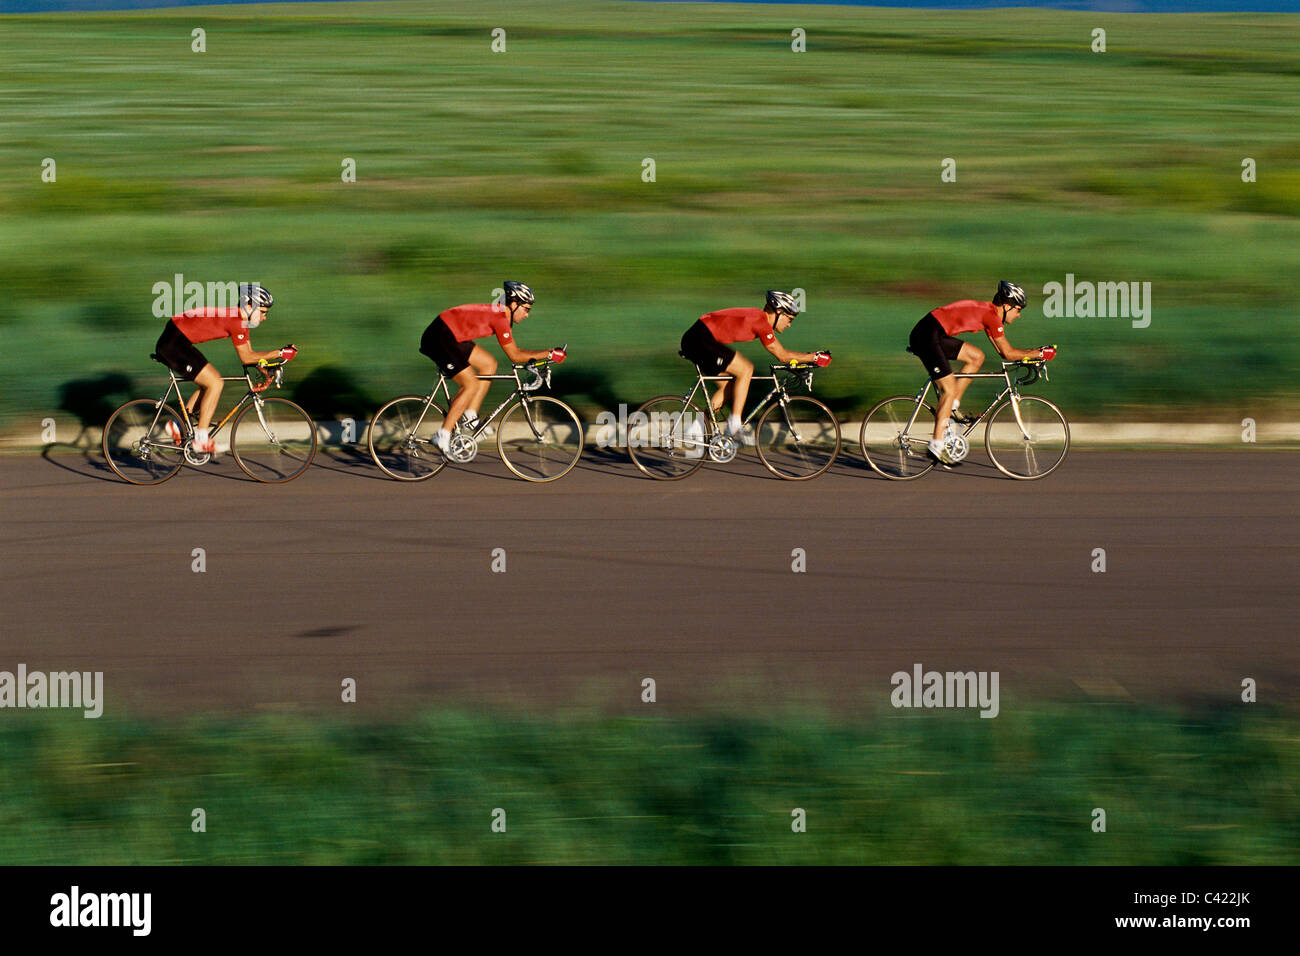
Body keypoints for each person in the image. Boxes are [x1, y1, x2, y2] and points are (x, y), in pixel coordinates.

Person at [908, 281, 1054, 465]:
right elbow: (1008, 353)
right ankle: (936, 445)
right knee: (949, 388)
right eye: (1018, 309)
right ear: (1007, 306)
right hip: (926, 335)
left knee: (976, 357)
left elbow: (1003, 352)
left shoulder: (990, 315)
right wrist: (1040, 353)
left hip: (933, 332)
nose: (1019, 315)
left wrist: (1033, 353)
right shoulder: (992, 316)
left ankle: (952, 406)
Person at [418, 281, 565, 455]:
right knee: (470, 385)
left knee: (489, 364)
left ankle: (470, 417)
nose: (527, 315)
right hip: (439, 337)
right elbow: (515, 355)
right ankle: (442, 435)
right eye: (526, 309)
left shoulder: (501, 315)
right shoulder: (500, 318)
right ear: (513, 304)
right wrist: (549, 354)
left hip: (451, 335)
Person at [153, 284, 293, 454]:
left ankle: (177, 425)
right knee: (215, 383)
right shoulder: (236, 322)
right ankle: (201, 440)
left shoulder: (240, 321)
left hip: (179, 340)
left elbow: (250, 355)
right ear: (249, 306)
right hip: (173, 344)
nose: (264, 317)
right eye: (263, 312)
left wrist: (266, 367)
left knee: (210, 382)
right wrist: (279, 353)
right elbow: (247, 357)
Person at [679, 290, 830, 439]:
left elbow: (782, 354)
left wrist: (810, 357)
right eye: (789, 319)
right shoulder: (761, 322)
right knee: (746, 369)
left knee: (729, 386)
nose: (789, 324)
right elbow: (782, 356)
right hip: (700, 339)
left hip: (698, 338)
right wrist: (814, 358)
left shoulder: (758, 318)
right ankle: (735, 424)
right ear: (778, 312)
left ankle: (698, 426)